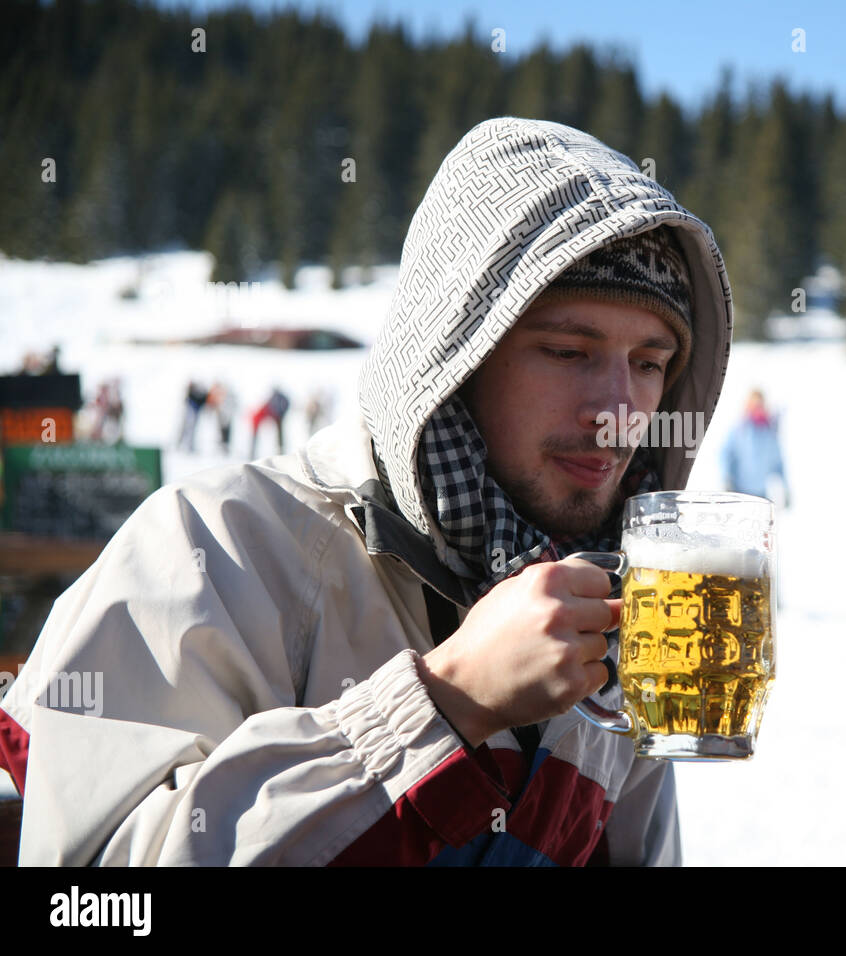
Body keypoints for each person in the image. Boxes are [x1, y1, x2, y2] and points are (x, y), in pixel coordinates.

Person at [0, 116, 731, 865]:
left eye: (649, 362)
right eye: (568, 350)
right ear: (455, 355)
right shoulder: (212, 549)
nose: (617, 410)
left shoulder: (616, 613)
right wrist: (448, 702)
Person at [721, 389, 789, 506]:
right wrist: (726, 478)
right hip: (739, 492)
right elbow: (725, 455)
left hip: (760, 494)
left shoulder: (770, 433)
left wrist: (786, 489)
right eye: (755, 405)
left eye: (760, 405)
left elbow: (779, 463)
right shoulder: (739, 430)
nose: (758, 409)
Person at [248, 385, 290, 458]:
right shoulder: (267, 405)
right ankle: (252, 453)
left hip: (275, 415)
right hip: (258, 420)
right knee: (254, 437)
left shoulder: (274, 399)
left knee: (279, 431)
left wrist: (281, 413)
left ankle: (280, 448)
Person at [177, 380, 209, 452]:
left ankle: (189, 446)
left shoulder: (200, 394)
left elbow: (203, 402)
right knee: (185, 428)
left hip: (195, 412)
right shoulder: (191, 394)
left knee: (192, 429)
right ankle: (180, 444)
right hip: (190, 412)